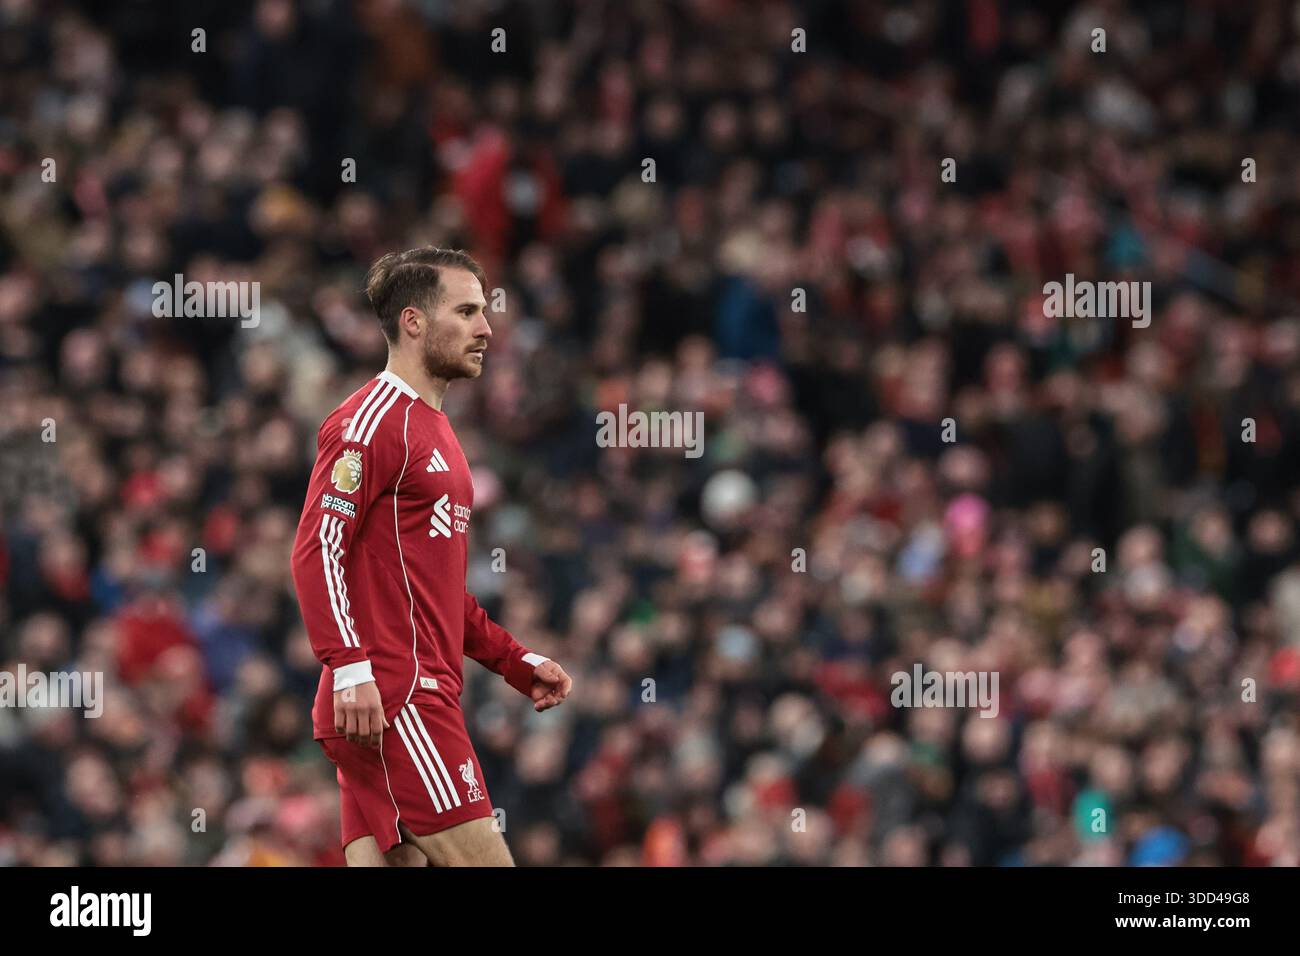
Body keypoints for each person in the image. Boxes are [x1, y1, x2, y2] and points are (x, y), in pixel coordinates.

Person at [290, 247, 573, 866]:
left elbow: (437, 591)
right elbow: (317, 548)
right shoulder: (369, 422)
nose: (486, 328)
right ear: (414, 322)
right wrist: (353, 668)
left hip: (393, 696)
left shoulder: (437, 430)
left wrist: (515, 660)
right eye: (467, 311)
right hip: (397, 698)